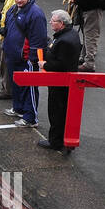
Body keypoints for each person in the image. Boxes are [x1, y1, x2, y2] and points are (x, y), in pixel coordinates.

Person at [3, 0, 46, 128]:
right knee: (16, 83)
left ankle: (31, 117)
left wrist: (33, 59)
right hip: (13, 55)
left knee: (30, 88)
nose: (19, 0)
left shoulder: (36, 14)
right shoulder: (14, 9)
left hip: (27, 59)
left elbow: (39, 39)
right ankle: (18, 108)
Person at [38, 9, 81, 153]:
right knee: (62, 111)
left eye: (53, 21)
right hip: (66, 82)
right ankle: (60, 139)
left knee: (56, 112)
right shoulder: (71, 35)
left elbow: (61, 65)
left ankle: (55, 141)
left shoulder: (65, 41)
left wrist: (45, 65)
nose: (50, 22)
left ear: (61, 24)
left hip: (60, 83)